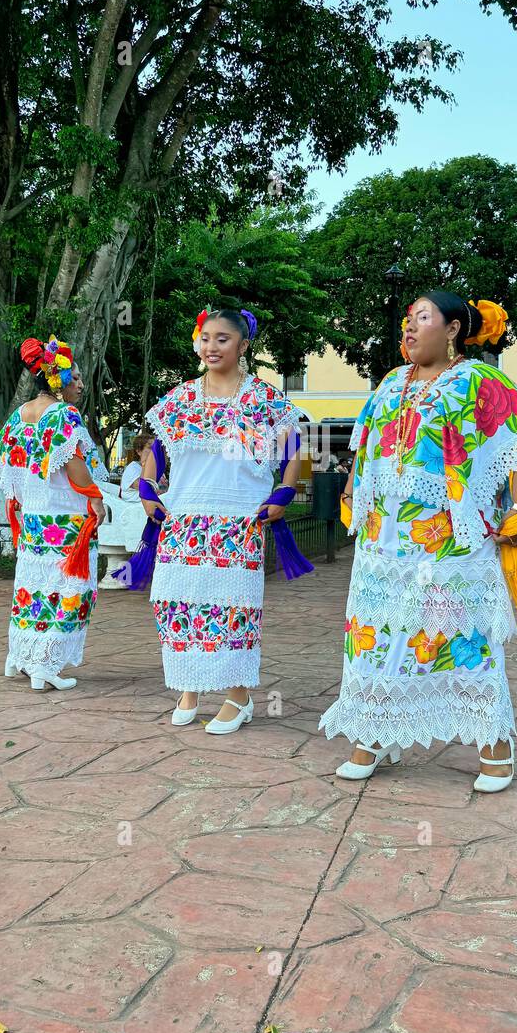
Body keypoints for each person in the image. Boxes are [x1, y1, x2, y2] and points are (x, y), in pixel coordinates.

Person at [320, 291, 517, 792]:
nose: (408, 328)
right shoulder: (388, 382)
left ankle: (496, 748)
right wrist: (349, 491)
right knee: (375, 642)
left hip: (448, 542)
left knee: (460, 639)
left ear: (452, 330)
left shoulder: (480, 381)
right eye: (407, 319)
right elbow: (364, 445)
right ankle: (373, 738)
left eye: (421, 318)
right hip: (383, 542)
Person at [127, 306, 309, 734]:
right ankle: (190, 684)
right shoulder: (180, 397)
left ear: (243, 345)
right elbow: (155, 449)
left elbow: (294, 449)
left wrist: (283, 492)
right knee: (177, 604)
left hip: (237, 520)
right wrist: (149, 489)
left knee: (232, 610)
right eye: (206, 337)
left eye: (222, 338)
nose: (211, 346)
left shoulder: (265, 400)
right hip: (184, 518)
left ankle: (238, 695)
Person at [0, 336, 110, 690]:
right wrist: (95, 498)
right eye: (74, 377)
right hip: (66, 520)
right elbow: (73, 460)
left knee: (32, 587)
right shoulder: (63, 414)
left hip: (34, 520)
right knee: (69, 589)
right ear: (56, 380)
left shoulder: (21, 413)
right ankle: (45, 665)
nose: (80, 383)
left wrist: (20, 497)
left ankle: (22, 657)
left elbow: (4, 459)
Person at [99, 433, 152, 589]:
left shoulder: (153, 468)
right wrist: (144, 465)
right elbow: (144, 487)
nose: (153, 452)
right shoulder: (134, 468)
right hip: (129, 510)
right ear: (139, 450)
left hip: (142, 507)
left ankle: (126, 577)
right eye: (149, 448)